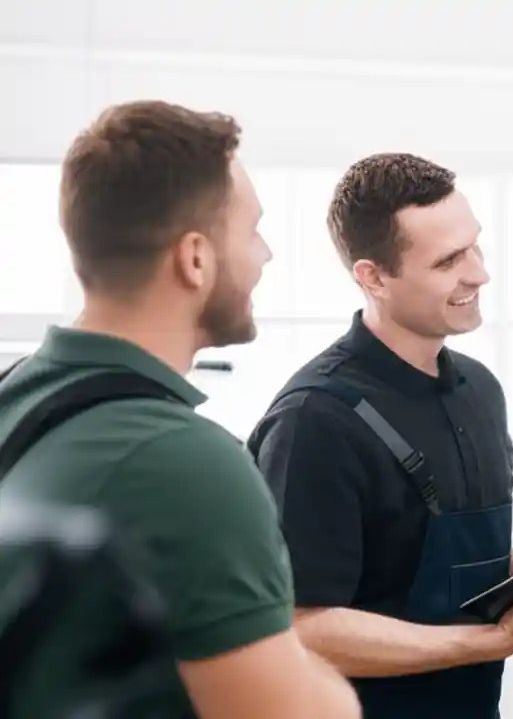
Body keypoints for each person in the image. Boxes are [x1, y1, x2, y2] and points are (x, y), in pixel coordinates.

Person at [0, 101, 360, 719]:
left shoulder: (16, 393)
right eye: (251, 231)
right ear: (194, 258)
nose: (266, 254)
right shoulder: (187, 465)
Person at [246, 153, 513, 718]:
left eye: (475, 246)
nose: (478, 273)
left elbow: (440, 565)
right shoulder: (315, 421)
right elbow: (299, 630)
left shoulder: (480, 391)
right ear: (373, 277)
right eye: (448, 260)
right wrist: (497, 641)